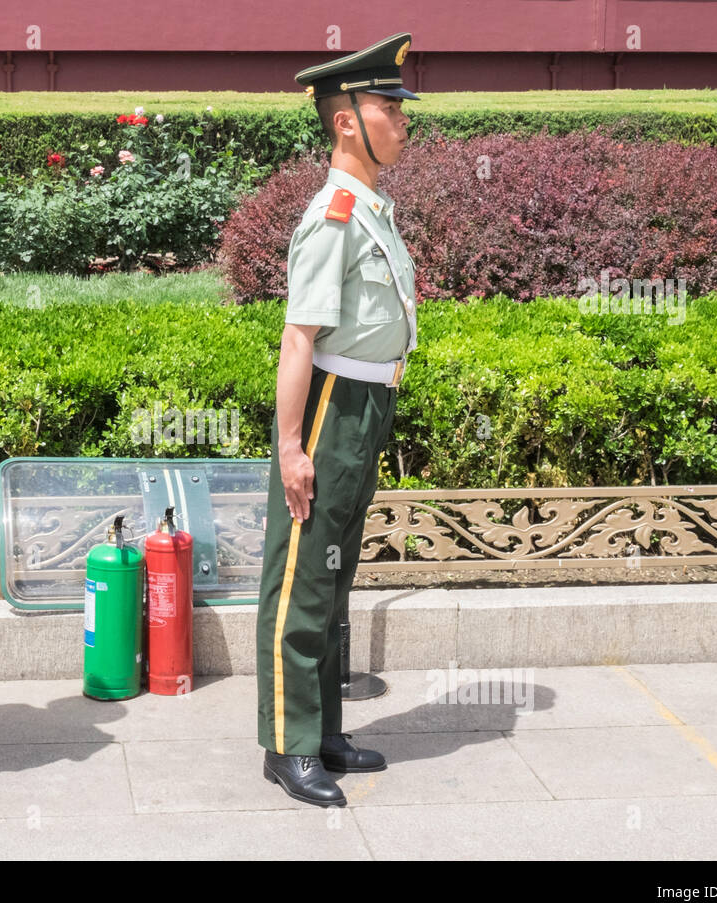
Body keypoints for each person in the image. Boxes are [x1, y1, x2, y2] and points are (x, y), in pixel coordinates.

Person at [256, 32, 420, 807]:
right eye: (390, 105)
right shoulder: (335, 215)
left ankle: (321, 728)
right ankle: (286, 744)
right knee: (300, 578)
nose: (403, 118)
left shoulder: (373, 211)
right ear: (347, 119)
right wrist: (290, 447)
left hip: (367, 406)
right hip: (331, 408)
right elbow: (299, 337)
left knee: (332, 574)